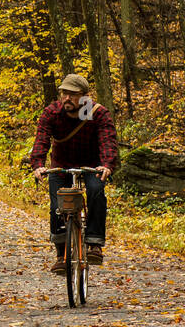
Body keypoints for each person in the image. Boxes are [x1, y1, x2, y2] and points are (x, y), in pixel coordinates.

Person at [28, 74, 119, 272]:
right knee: (57, 206)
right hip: (61, 164)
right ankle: (61, 253)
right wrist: (38, 165)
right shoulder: (53, 112)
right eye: (64, 93)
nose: (67, 98)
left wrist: (106, 164)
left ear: (85, 96)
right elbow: (41, 139)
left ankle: (94, 243)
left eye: (73, 94)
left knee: (95, 191)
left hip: (92, 165)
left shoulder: (96, 112)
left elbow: (107, 140)